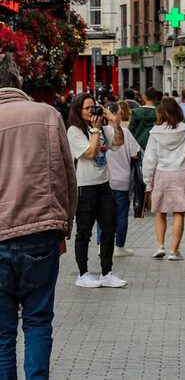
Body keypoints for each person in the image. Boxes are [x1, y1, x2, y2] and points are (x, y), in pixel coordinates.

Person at [0, 54, 77, 380]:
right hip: (40, 232)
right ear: (19, 81)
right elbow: (67, 175)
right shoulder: (47, 115)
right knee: (37, 320)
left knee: (2, 333)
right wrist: (65, 227)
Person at [67, 93, 127, 288]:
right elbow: (91, 153)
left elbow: (118, 142)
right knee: (84, 232)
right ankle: (83, 273)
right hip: (84, 187)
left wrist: (115, 123)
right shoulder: (74, 131)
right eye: (87, 108)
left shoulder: (101, 127)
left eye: (95, 107)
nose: (92, 111)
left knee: (109, 229)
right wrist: (95, 130)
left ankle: (106, 272)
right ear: (78, 110)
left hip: (104, 185)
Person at [143, 96, 185, 260]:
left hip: (162, 173)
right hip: (182, 172)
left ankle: (160, 246)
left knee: (160, 211)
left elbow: (149, 159)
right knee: (179, 212)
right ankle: (174, 251)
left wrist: (148, 181)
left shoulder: (155, 133)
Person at [95, 102, 141, 257]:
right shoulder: (125, 133)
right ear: (113, 114)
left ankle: (102, 245)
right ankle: (119, 246)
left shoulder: (97, 132)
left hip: (103, 179)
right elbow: (136, 153)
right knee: (121, 215)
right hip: (122, 179)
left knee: (102, 215)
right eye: (120, 112)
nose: (121, 115)